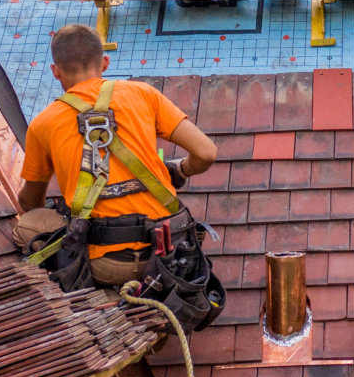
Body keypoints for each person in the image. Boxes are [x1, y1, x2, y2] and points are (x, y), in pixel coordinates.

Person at [16, 24, 218, 287]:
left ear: (55, 71)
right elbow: (206, 153)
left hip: (110, 264)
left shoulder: (43, 123)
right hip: (169, 254)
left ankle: (97, 297)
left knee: (27, 225)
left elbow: (31, 201)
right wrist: (179, 170)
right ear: (106, 62)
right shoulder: (142, 93)